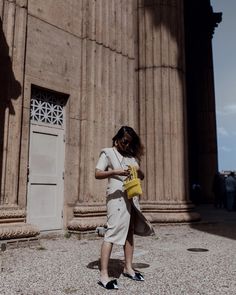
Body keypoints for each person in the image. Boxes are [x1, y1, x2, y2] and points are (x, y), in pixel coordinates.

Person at [95, 126, 154, 290]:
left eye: (130, 143)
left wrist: (137, 170)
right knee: (112, 233)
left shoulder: (130, 156)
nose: (127, 145)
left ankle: (128, 268)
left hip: (131, 197)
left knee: (129, 231)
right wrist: (115, 171)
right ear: (117, 139)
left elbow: (142, 176)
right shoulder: (107, 152)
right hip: (116, 199)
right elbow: (97, 173)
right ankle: (104, 275)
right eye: (125, 142)